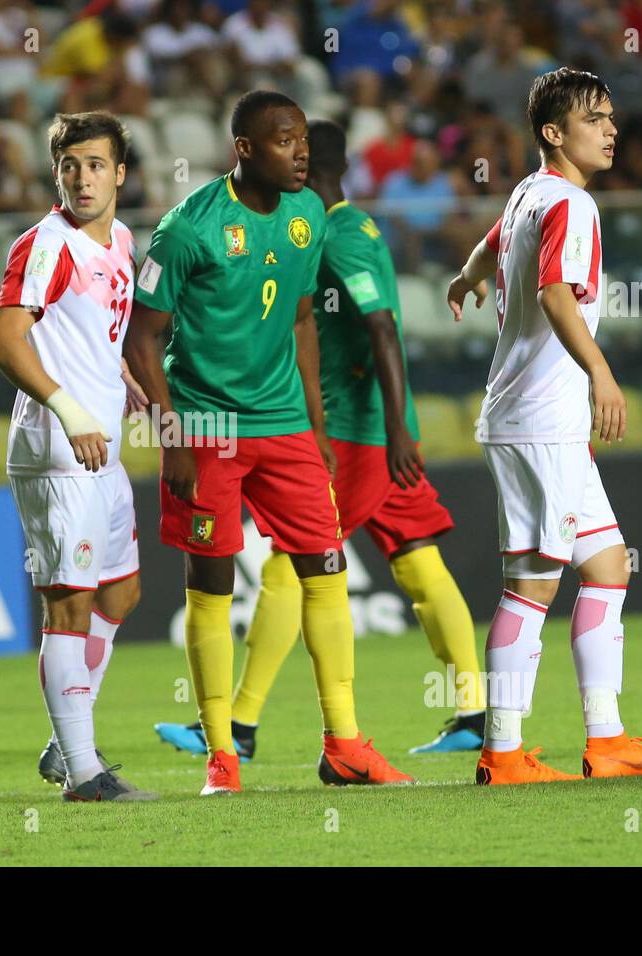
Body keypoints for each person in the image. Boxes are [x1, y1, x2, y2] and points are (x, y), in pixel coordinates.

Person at [153, 119, 485, 762]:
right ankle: (472, 705)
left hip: (357, 433)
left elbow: (382, 330)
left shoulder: (335, 233)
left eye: (300, 148)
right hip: (371, 427)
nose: (294, 157)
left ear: (314, 163)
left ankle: (239, 726)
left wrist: (389, 430)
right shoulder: (343, 225)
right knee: (418, 563)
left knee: (291, 564)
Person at [125, 90, 412, 796]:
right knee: (215, 586)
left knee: (326, 571)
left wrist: (314, 427)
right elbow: (142, 336)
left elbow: (304, 319)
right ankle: (222, 757)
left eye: (303, 140)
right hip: (207, 429)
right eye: (284, 140)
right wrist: (173, 435)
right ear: (244, 149)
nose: (300, 151)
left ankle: (344, 744)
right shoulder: (186, 230)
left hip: (284, 426)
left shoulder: (308, 216)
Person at [445, 68, 642, 784]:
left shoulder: (531, 191)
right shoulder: (572, 204)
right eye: (595, 119)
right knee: (532, 585)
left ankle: (607, 741)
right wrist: (602, 373)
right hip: (540, 422)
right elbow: (554, 293)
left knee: (608, 568)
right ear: (555, 133)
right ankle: (503, 751)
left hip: (542, 423)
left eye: (612, 117)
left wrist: (466, 277)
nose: (612, 129)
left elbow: (492, 242)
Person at [0, 111, 155, 803]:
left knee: (123, 592)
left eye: (94, 165)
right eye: (69, 165)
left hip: (100, 448)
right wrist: (70, 406)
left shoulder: (119, 239)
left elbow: (85, 330)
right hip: (59, 450)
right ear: (56, 172)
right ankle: (84, 775)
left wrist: (119, 376)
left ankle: (69, 736)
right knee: (69, 607)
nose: (81, 177)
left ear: (120, 173)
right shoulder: (45, 244)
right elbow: (5, 340)